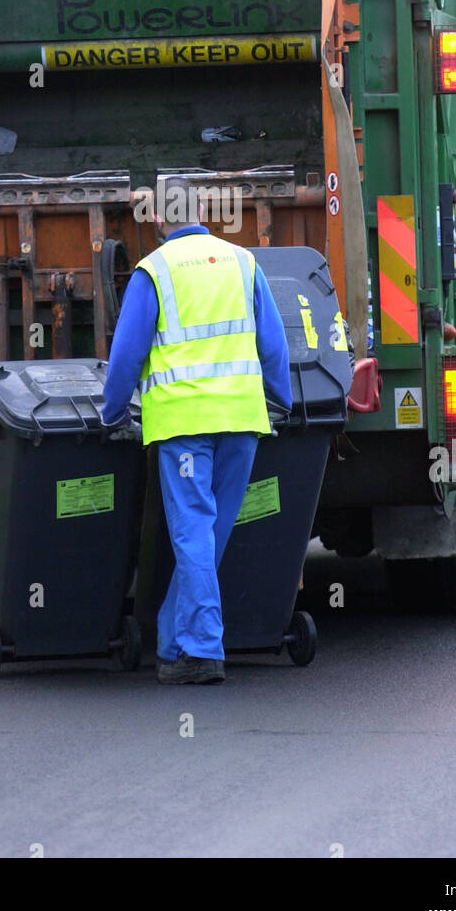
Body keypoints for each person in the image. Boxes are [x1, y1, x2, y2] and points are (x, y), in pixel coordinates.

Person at [101, 178, 291, 684]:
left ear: (158, 219)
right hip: (244, 420)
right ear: (205, 209)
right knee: (208, 536)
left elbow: (125, 357)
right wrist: (284, 400)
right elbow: (273, 344)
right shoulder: (242, 262)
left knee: (191, 534)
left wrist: (112, 411)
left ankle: (204, 650)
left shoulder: (154, 271)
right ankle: (173, 638)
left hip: (185, 424)